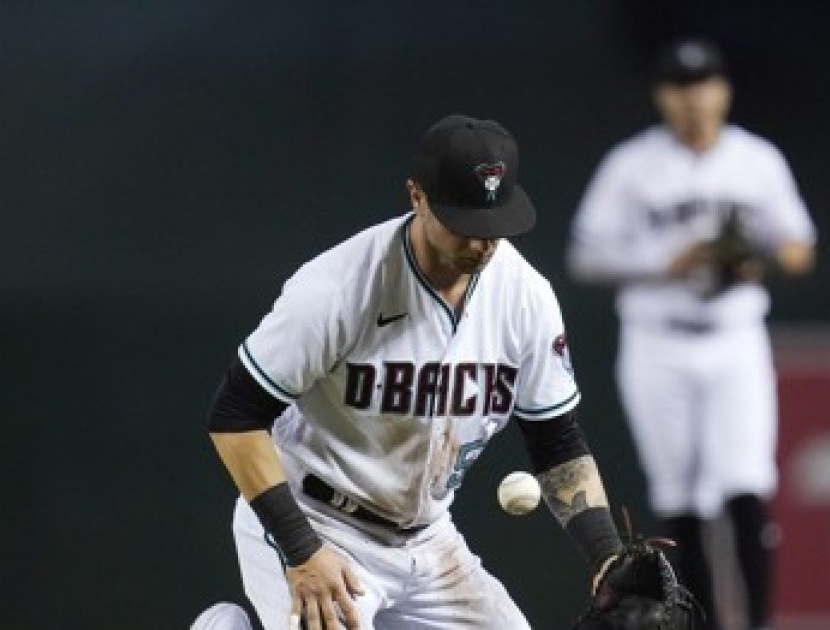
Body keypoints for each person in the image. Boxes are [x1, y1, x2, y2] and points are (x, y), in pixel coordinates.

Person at [206, 114, 625, 630]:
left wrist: (608, 558)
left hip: (428, 540)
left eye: (494, 226)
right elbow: (235, 417)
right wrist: (300, 550)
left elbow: (555, 439)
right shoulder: (339, 287)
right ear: (417, 197)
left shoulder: (525, 297)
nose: (482, 244)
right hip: (316, 521)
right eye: (465, 223)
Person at [565, 39, 816, 630]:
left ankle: (756, 623)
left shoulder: (756, 160)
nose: (693, 98)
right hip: (658, 341)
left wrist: (756, 256)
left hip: (734, 338)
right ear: (662, 96)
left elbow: (800, 248)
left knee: (746, 486)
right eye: (680, 86)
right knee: (681, 497)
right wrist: (666, 262)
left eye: (703, 84)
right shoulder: (631, 165)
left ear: (723, 91)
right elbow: (585, 257)